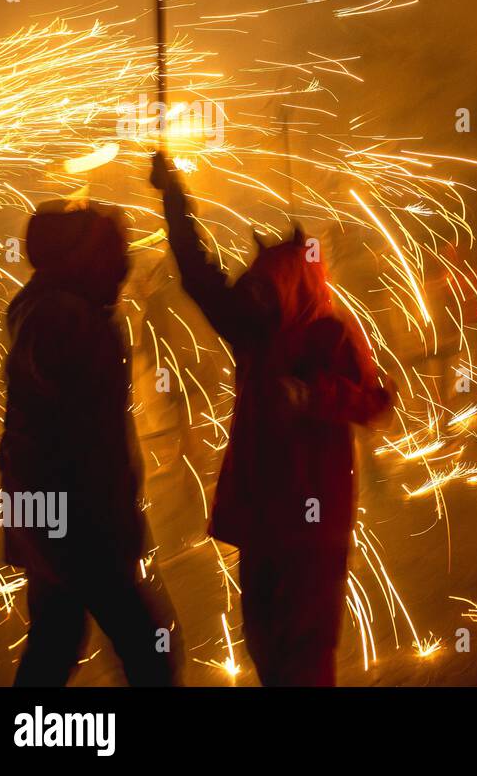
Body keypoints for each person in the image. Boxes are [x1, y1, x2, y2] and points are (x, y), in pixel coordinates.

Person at [150, 152, 391, 686]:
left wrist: (313, 395)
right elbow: (202, 279)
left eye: (265, 288)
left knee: (307, 649)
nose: (251, 298)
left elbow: (374, 402)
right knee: (263, 638)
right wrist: (175, 198)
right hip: (263, 518)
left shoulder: (333, 333)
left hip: (313, 524)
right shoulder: (257, 333)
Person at [0, 200, 180, 686]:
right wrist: (100, 524)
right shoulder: (68, 321)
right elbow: (79, 441)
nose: (124, 260)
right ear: (82, 258)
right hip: (75, 523)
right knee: (145, 644)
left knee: (56, 638)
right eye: (111, 249)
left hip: (52, 518)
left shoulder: (52, 310)